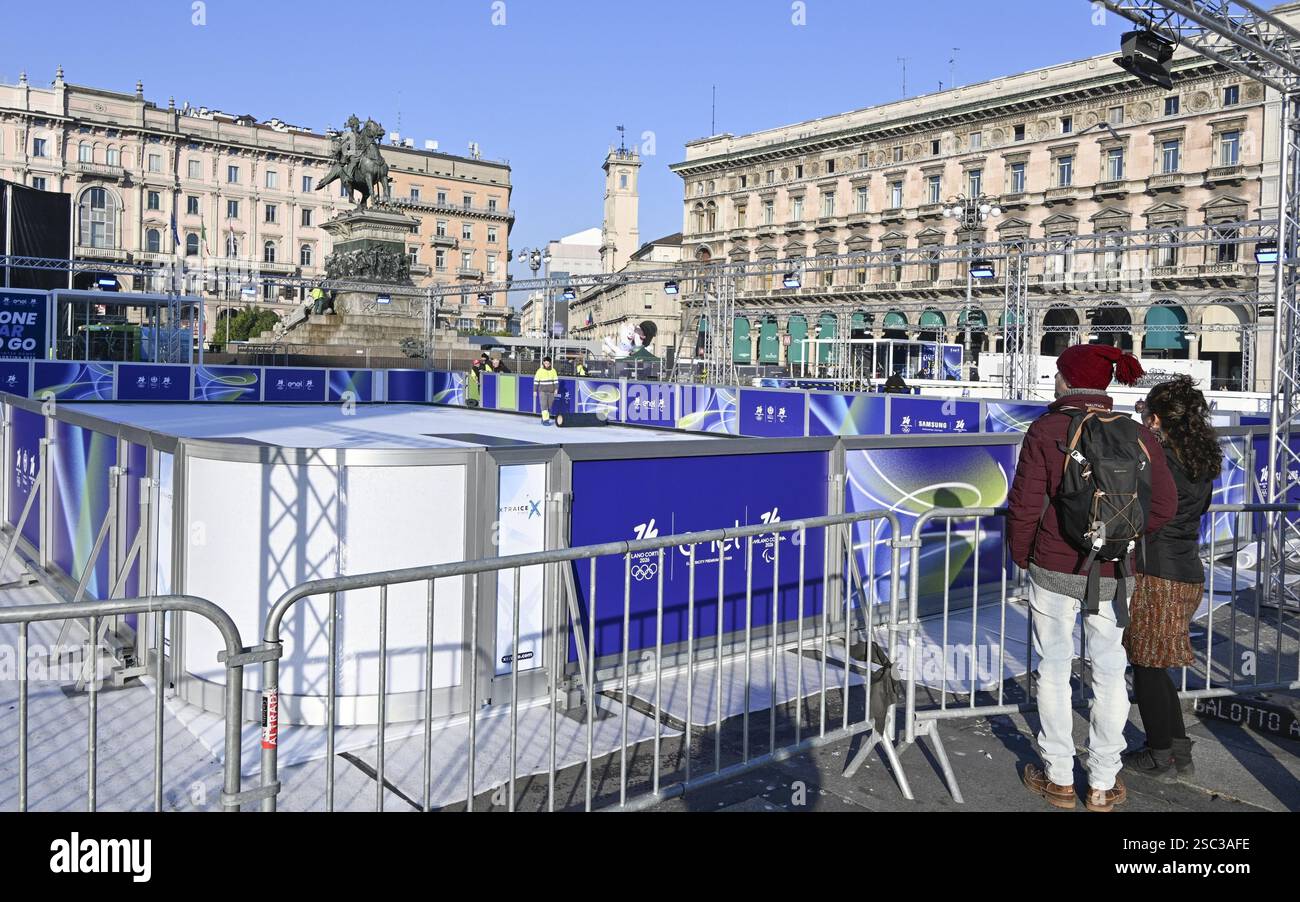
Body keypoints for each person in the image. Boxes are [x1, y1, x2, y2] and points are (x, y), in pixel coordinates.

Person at [1007, 343, 1177, 812]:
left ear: (1068, 380)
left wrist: (1024, 555)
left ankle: (1060, 778)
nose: (1055, 381)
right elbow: (1162, 506)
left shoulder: (1046, 429)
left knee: (1055, 670)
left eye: (1058, 374)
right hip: (1116, 571)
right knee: (1108, 672)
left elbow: (1024, 505)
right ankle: (1103, 782)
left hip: (1056, 568)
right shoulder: (1137, 433)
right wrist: (1120, 540)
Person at [1123, 376, 1220, 782]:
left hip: (1161, 571)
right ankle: (1177, 748)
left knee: (1146, 664)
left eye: (1147, 413)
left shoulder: (1161, 458)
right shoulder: (1200, 457)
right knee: (1155, 663)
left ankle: (1160, 752)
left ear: (1158, 419)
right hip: (1185, 571)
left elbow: (1146, 510)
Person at [534, 356, 559, 424]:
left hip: (551, 392)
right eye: (545, 363)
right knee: (544, 405)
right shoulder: (540, 371)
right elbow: (536, 381)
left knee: (549, 406)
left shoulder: (553, 371)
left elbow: (556, 381)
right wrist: (535, 391)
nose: (547, 365)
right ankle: (546, 420)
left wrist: (556, 389)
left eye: (548, 363)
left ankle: (544, 417)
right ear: (543, 363)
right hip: (543, 391)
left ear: (550, 363)